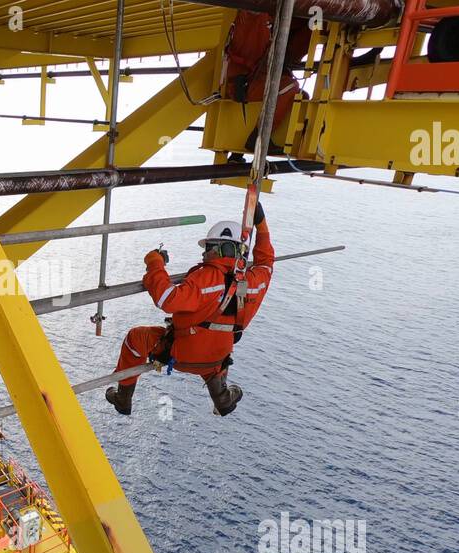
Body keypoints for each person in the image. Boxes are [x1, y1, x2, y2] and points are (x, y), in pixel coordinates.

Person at [106, 203, 274, 417]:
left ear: (218, 249)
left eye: (208, 248)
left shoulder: (206, 278)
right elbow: (266, 262)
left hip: (181, 354)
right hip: (216, 359)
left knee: (135, 338)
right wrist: (261, 224)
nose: (205, 254)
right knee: (218, 340)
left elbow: (166, 298)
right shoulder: (254, 282)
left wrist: (155, 263)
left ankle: (123, 398)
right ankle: (222, 398)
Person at [223, 10, 312, 160]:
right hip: (244, 84)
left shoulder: (266, 18)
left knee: (300, 96)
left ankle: (238, 152)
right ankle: (259, 137)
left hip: (255, 80)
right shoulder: (252, 17)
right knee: (288, 87)